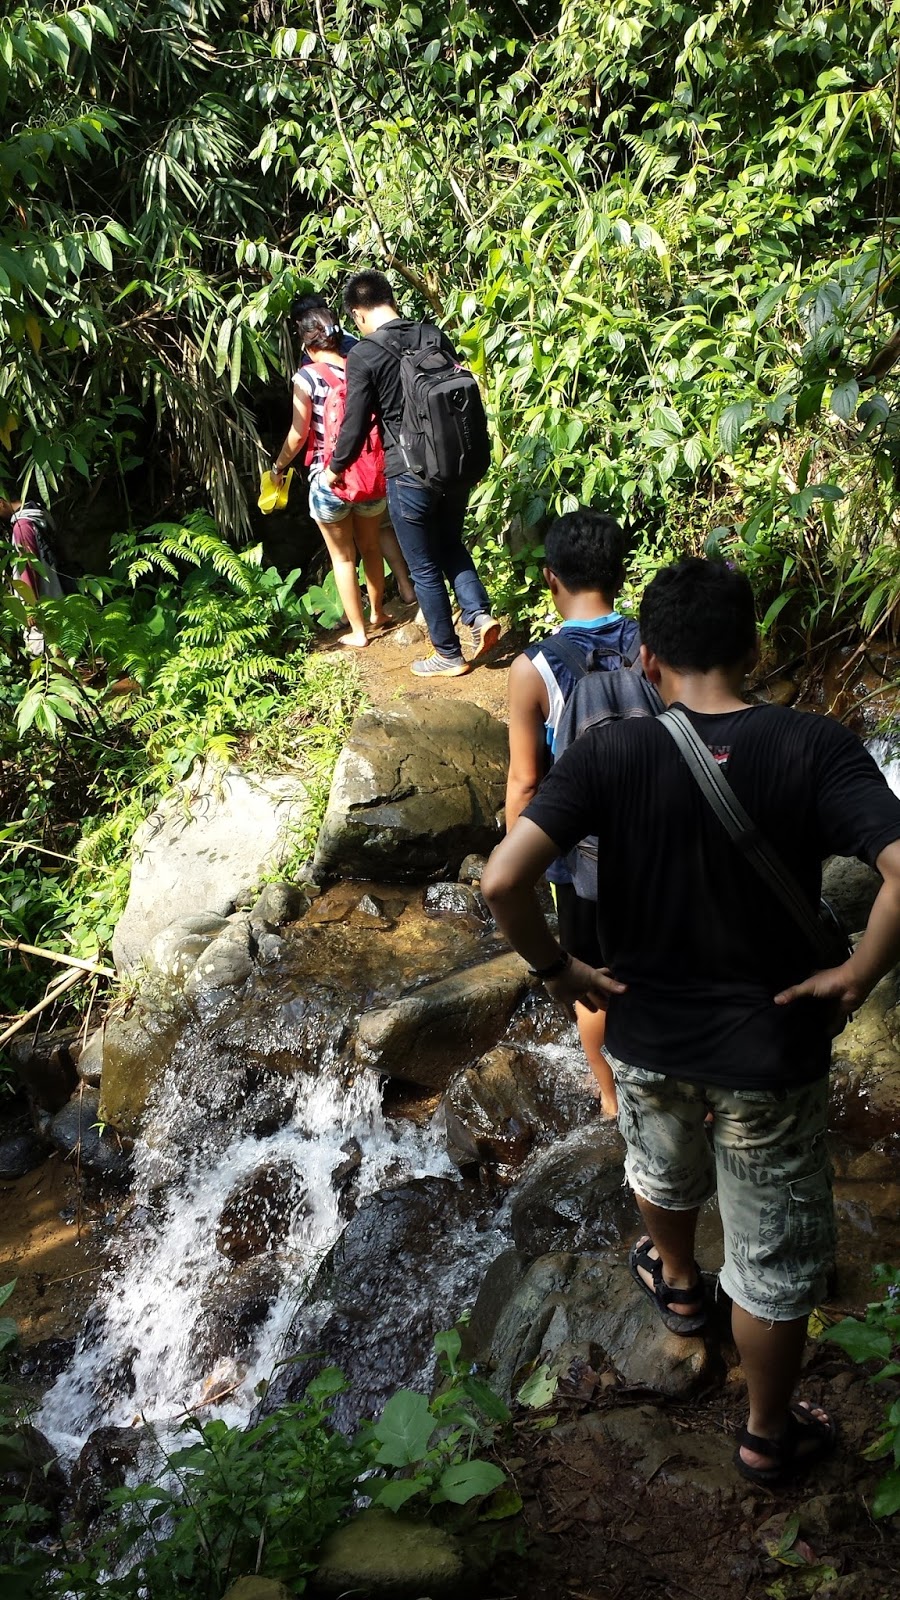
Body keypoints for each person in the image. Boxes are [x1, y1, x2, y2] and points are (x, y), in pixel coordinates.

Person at [482, 556, 900, 1486]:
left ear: (649, 658)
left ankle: (676, 1289)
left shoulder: (613, 751)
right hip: (771, 1046)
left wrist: (559, 969)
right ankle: (764, 1433)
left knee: (661, 1166)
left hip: (646, 1030)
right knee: (770, 1254)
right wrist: (859, 973)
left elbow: (503, 880)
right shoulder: (814, 746)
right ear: (755, 646)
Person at [506, 508, 636, 1117]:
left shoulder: (534, 668)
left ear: (551, 577)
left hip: (580, 850)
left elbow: (526, 779)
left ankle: (610, 1098)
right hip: (660, 835)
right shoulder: (655, 645)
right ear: (619, 573)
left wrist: (520, 862)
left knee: (591, 980)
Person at [320, 269, 499, 678]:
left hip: (409, 473)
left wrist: (335, 470)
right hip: (454, 465)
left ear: (357, 315)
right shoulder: (430, 334)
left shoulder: (364, 354)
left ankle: (448, 654)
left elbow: (355, 423)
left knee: (423, 566)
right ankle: (478, 614)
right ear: (391, 299)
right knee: (451, 542)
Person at [270, 302, 392, 648]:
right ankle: (378, 612)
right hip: (369, 474)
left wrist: (278, 468)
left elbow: (297, 435)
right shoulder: (361, 365)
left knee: (342, 557)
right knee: (370, 546)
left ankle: (358, 632)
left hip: (330, 479)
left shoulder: (306, 377)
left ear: (307, 345)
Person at [291, 292, 416, 607]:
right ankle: (401, 591)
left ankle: (356, 624)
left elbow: (302, 429)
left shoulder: (312, 364)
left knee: (344, 557)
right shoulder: (356, 346)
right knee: (376, 537)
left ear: (303, 330)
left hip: (335, 468)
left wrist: (281, 468)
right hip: (374, 460)